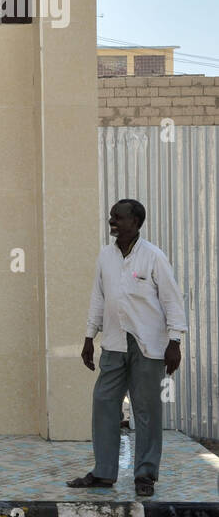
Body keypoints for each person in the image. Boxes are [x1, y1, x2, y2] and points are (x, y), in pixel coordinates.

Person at [67, 199, 185, 497]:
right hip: (114, 343)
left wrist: (175, 340)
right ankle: (104, 472)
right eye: (111, 217)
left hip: (147, 345)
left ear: (136, 222)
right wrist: (88, 336)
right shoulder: (106, 256)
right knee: (104, 402)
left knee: (146, 410)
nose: (112, 222)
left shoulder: (153, 256)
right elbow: (98, 296)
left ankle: (145, 475)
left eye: (118, 217)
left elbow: (172, 299)